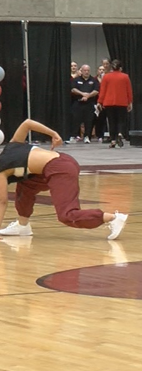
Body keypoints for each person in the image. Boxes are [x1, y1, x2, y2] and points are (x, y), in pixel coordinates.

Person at [1, 120, 129, 239]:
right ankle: (22, 226)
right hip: (61, 161)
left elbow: (2, 202)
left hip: (60, 169)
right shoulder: (13, 144)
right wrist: (54, 134)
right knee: (26, 186)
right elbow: (27, 123)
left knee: (67, 215)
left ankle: (112, 218)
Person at [98, 60, 131, 148]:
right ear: (120, 68)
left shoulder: (106, 77)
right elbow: (129, 90)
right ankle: (120, 134)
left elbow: (102, 90)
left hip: (109, 102)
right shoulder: (125, 77)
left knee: (111, 121)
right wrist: (130, 102)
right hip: (122, 102)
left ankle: (112, 140)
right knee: (121, 120)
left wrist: (99, 102)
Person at [69, 64, 98, 143]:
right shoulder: (76, 79)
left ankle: (87, 137)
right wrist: (82, 94)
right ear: (81, 71)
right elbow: (73, 89)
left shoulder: (94, 80)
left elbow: (96, 90)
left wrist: (88, 96)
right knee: (75, 120)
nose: (86, 72)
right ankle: (74, 136)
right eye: (85, 70)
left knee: (89, 121)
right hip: (78, 103)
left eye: (88, 70)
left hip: (89, 104)